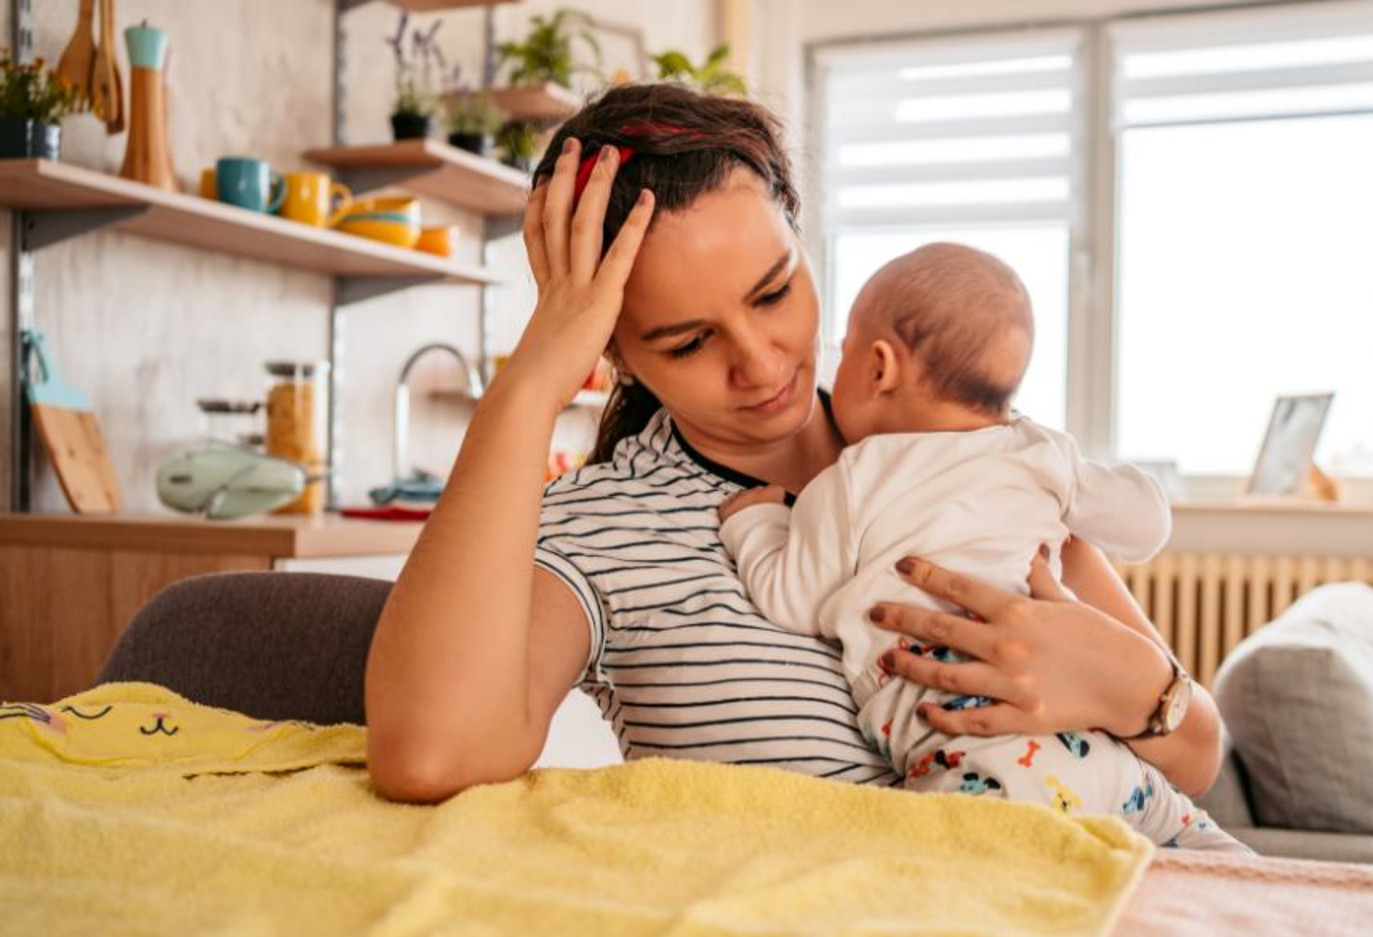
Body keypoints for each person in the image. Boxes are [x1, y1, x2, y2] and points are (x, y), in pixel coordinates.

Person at [362, 83, 1225, 809]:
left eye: (774, 292)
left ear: (803, 240)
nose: (760, 363)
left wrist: (1136, 690)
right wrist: (530, 382)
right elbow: (430, 755)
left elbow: (1199, 754)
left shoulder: (952, 441)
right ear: (613, 350)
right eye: (689, 341)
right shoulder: (606, 525)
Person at [716, 243, 1249, 853]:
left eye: (847, 344)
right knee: (1237, 876)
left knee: (957, 882)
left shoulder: (852, 479)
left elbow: (791, 597)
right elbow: (1147, 526)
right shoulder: (1038, 450)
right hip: (1109, 761)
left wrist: (755, 524)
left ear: (880, 367)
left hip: (989, 761)